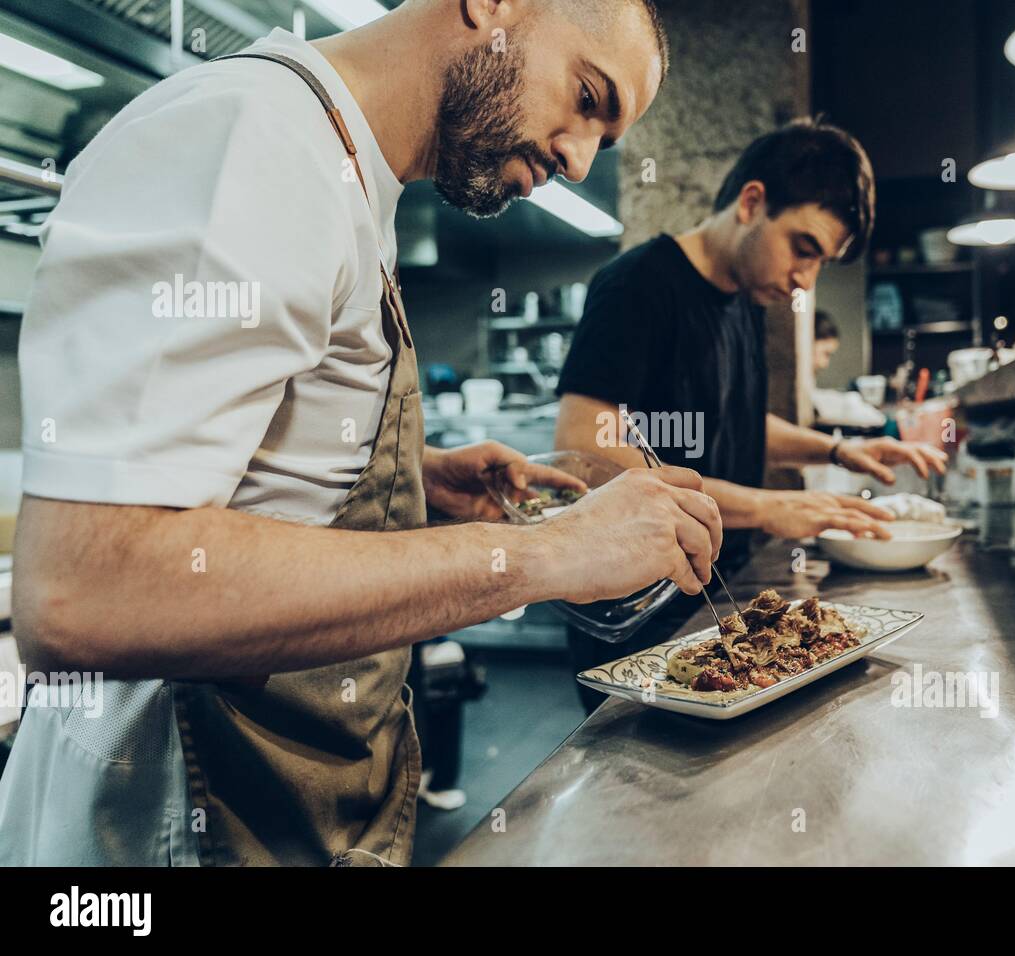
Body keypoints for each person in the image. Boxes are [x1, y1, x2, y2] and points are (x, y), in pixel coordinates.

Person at [0, 0, 717, 867]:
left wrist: (409, 477)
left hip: (292, 815)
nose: (578, 158)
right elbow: (86, 591)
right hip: (177, 824)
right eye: (589, 96)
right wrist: (550, 555)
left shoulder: (346, 176)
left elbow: (245, 467)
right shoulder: (249, 140)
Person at [554, 120, 947, 709]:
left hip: (720, 596)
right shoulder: (637, 286)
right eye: (804, 249)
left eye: (822, 263)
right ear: (753, 201)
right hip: (642, 609)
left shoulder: (742, 301)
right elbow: (586, 453)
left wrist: (839, 449)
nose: (803, 281)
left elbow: (735, 423)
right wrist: (764, 506)